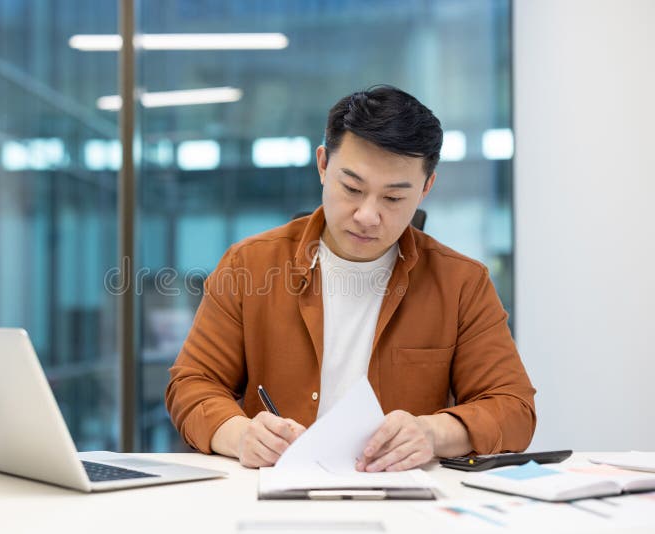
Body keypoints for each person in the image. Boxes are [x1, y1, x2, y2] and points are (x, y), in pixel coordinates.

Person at [166, 85, 536, 471]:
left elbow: (513, 409)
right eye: (352, 188)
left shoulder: (461, 283)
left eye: (393, 198)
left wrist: (432, 432)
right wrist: (239, 434)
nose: (367, 215)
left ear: (426, 187)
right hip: (277, 493)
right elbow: (192, 384)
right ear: (323, 164)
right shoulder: (249, 266)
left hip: (402, 501)